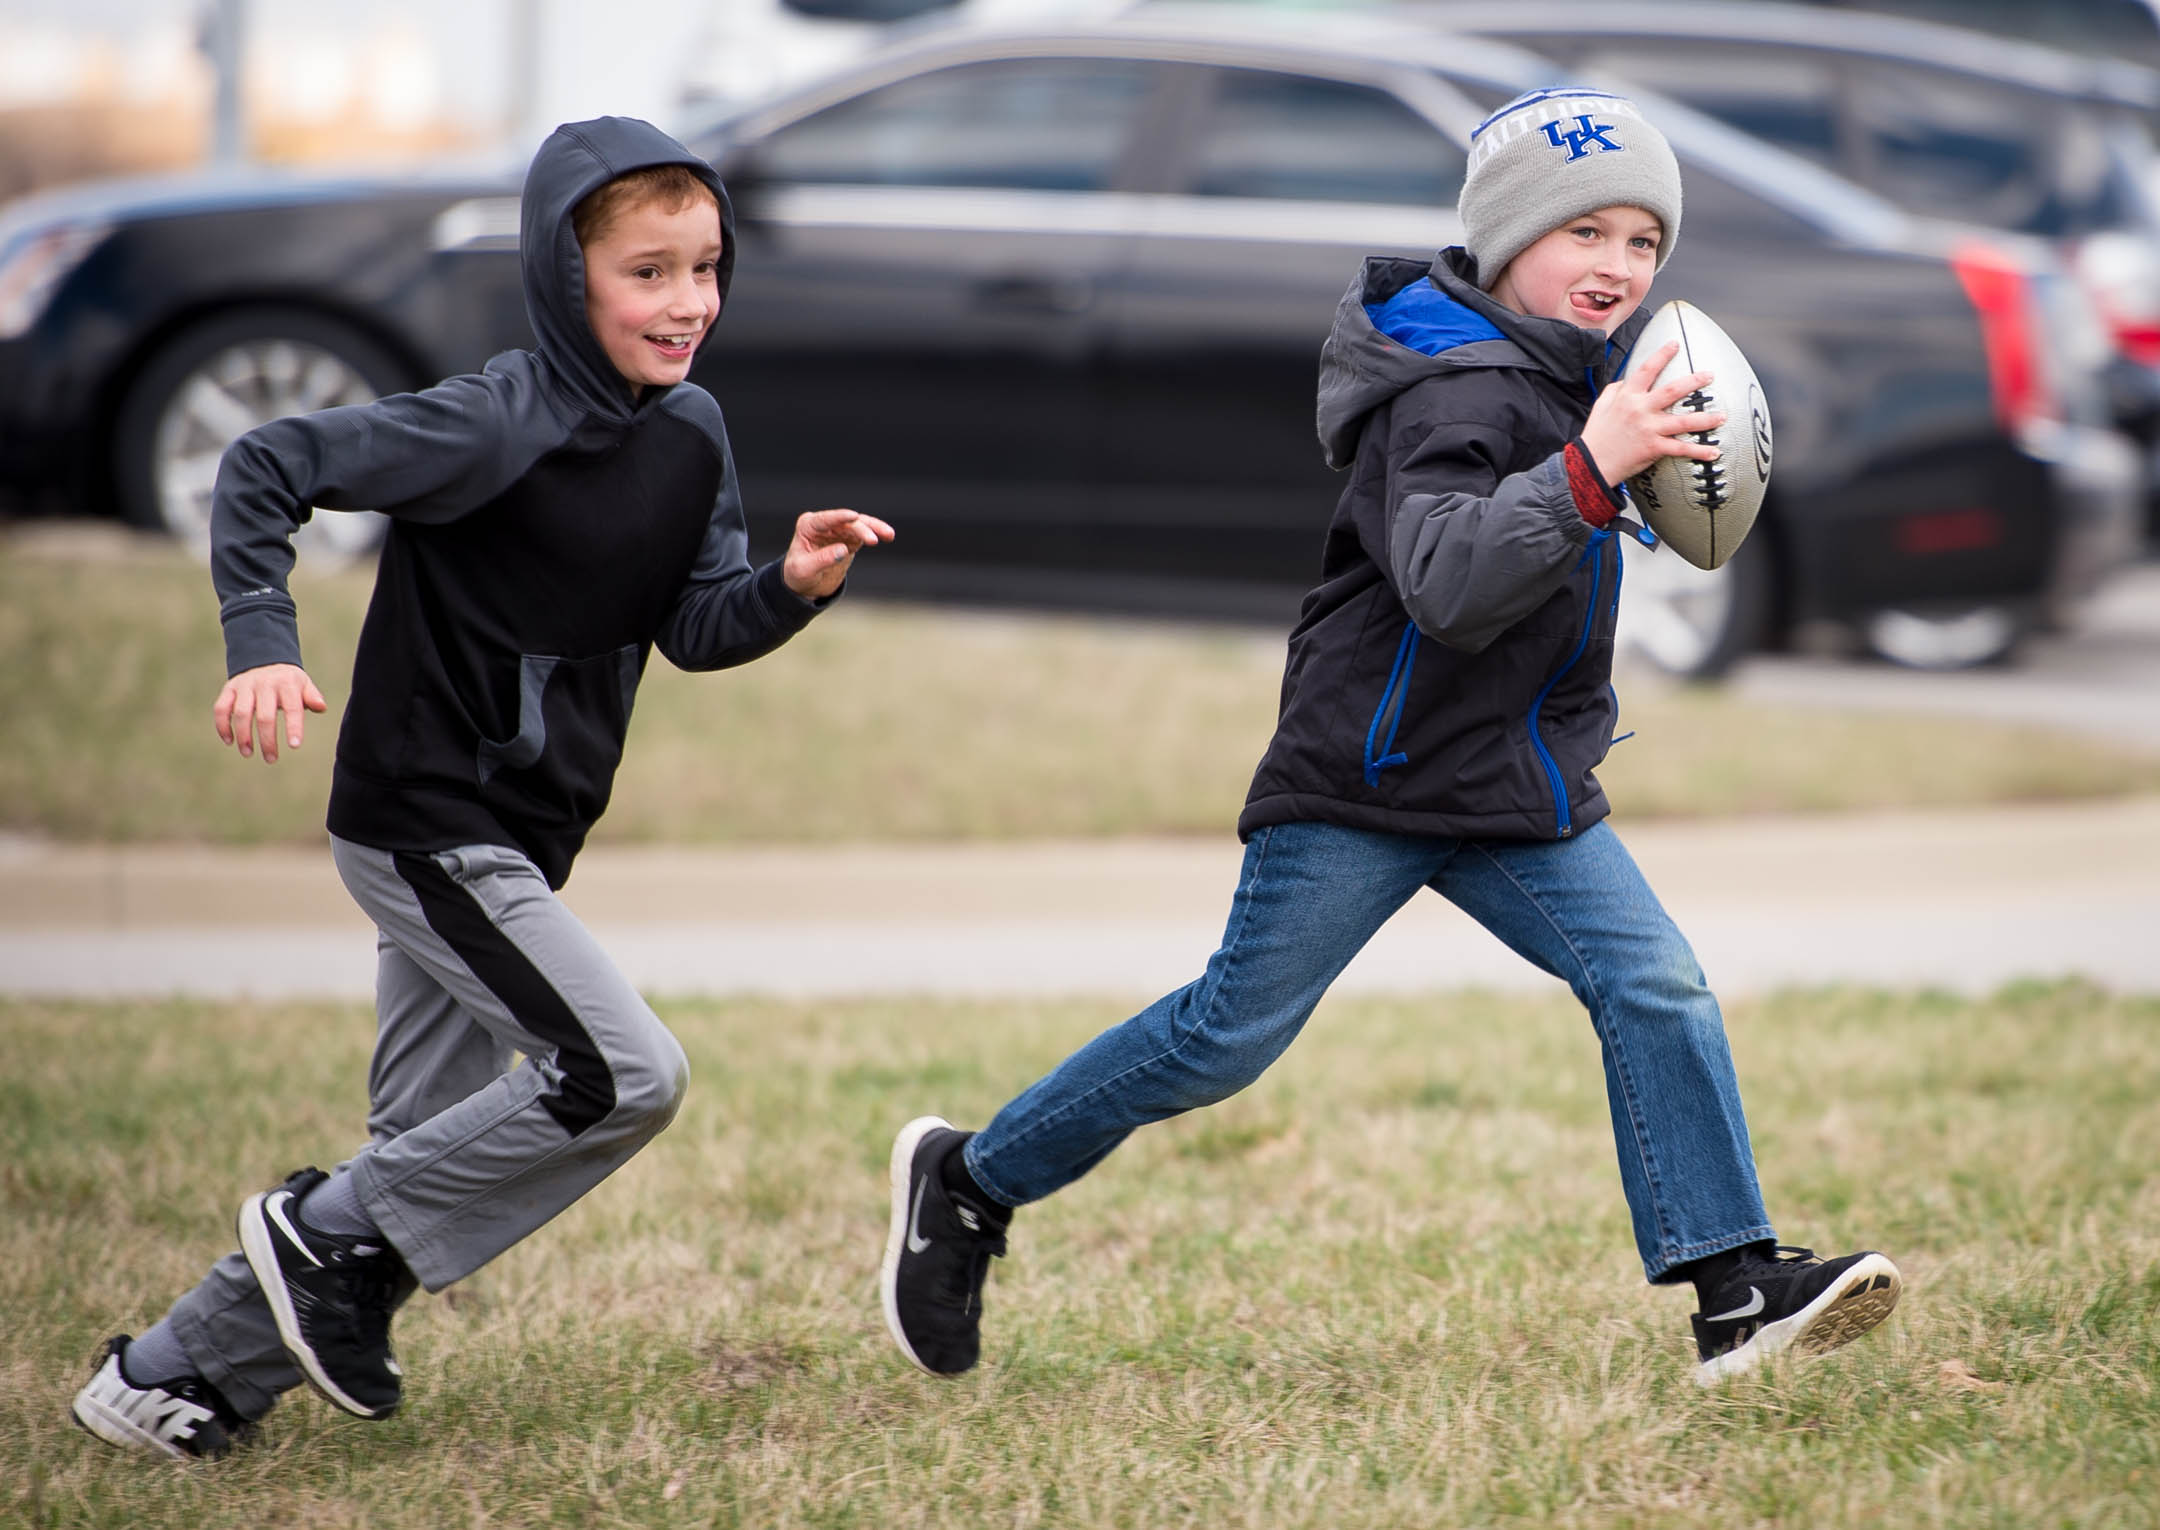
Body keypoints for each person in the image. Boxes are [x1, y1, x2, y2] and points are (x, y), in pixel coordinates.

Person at [879, 87, 1900, 1388]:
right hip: (1371, 777)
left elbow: (1592, 537)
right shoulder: (1449, 391)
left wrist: (1652, 480)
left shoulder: (1588, 380)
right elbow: (1449, 580)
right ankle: (969, 1179)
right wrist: (1589, 473)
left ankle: (1735, 1286)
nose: (1620, 266)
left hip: (1517, 783)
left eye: (1644, 243)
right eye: (1587, 232)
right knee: (1222, 1037)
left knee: (1657, 985)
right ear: (1507, 236)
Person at [69, 116, 894, 1460]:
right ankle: (310, 1238)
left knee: (425, 1152)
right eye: (648, 272)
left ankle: (171, 1378)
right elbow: (266, 467)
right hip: (426, 818)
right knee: (619, 1073)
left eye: (706, 268)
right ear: (567, 279)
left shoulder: (693, 433)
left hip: (521, 837)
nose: (687, 302)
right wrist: (262, 644)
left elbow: (694, 624)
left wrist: (790, 587)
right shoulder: (490, 421)